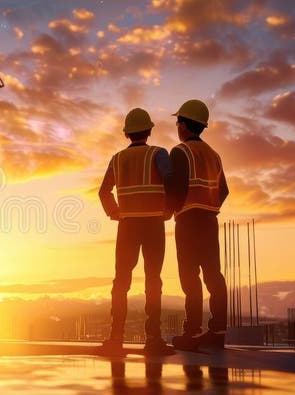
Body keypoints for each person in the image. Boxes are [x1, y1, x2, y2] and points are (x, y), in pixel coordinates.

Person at [97, 108, 176, 356]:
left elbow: (103, 192)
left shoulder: (117, 159)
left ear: (127, 134)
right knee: (153, 280)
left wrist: (115, 212)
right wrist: (169, 209)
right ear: (150, 130)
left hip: (127, 226)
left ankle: (115, 339)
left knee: (121, 281)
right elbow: (171, 181)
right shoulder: (159, 153)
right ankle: (153, 339)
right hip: (153, 224)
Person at [166, 99, 229, 350]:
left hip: (188, 221)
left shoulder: (180, 152)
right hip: (210, 221)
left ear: (183, 125)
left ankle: (191, 332)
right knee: (213, 274)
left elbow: (175, 189)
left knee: (189, 276)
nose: (177, 126)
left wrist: (172, 210)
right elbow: (223, 190)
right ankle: (218, 331)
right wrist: (210, 206)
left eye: (177, 121)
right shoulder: (214, 155)